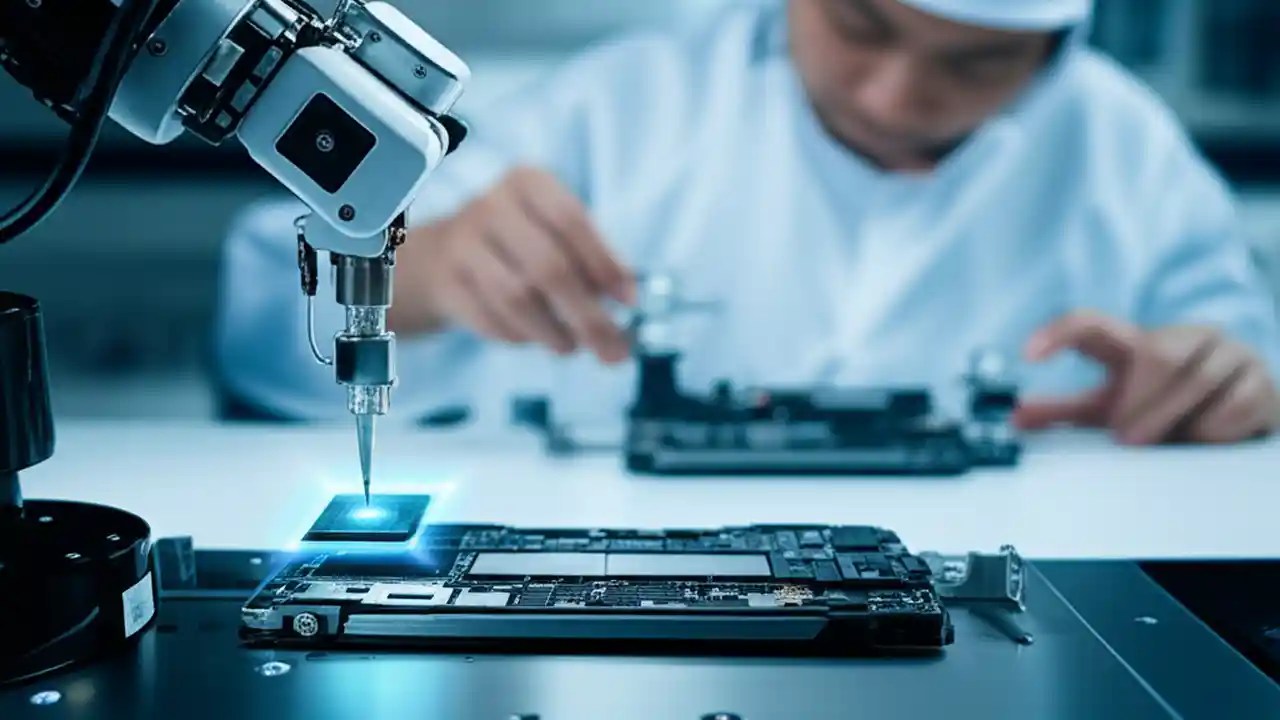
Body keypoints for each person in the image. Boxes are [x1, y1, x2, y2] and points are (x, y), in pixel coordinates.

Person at [217, 0, 1280, 445]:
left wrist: (1219, 382)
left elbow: (1239, 360)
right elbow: (262, 328)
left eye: (973, 63)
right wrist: (430, 270)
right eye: (862, 25)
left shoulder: (1124, 147)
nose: (893, 97)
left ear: (1053, 49)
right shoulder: (626, 102)